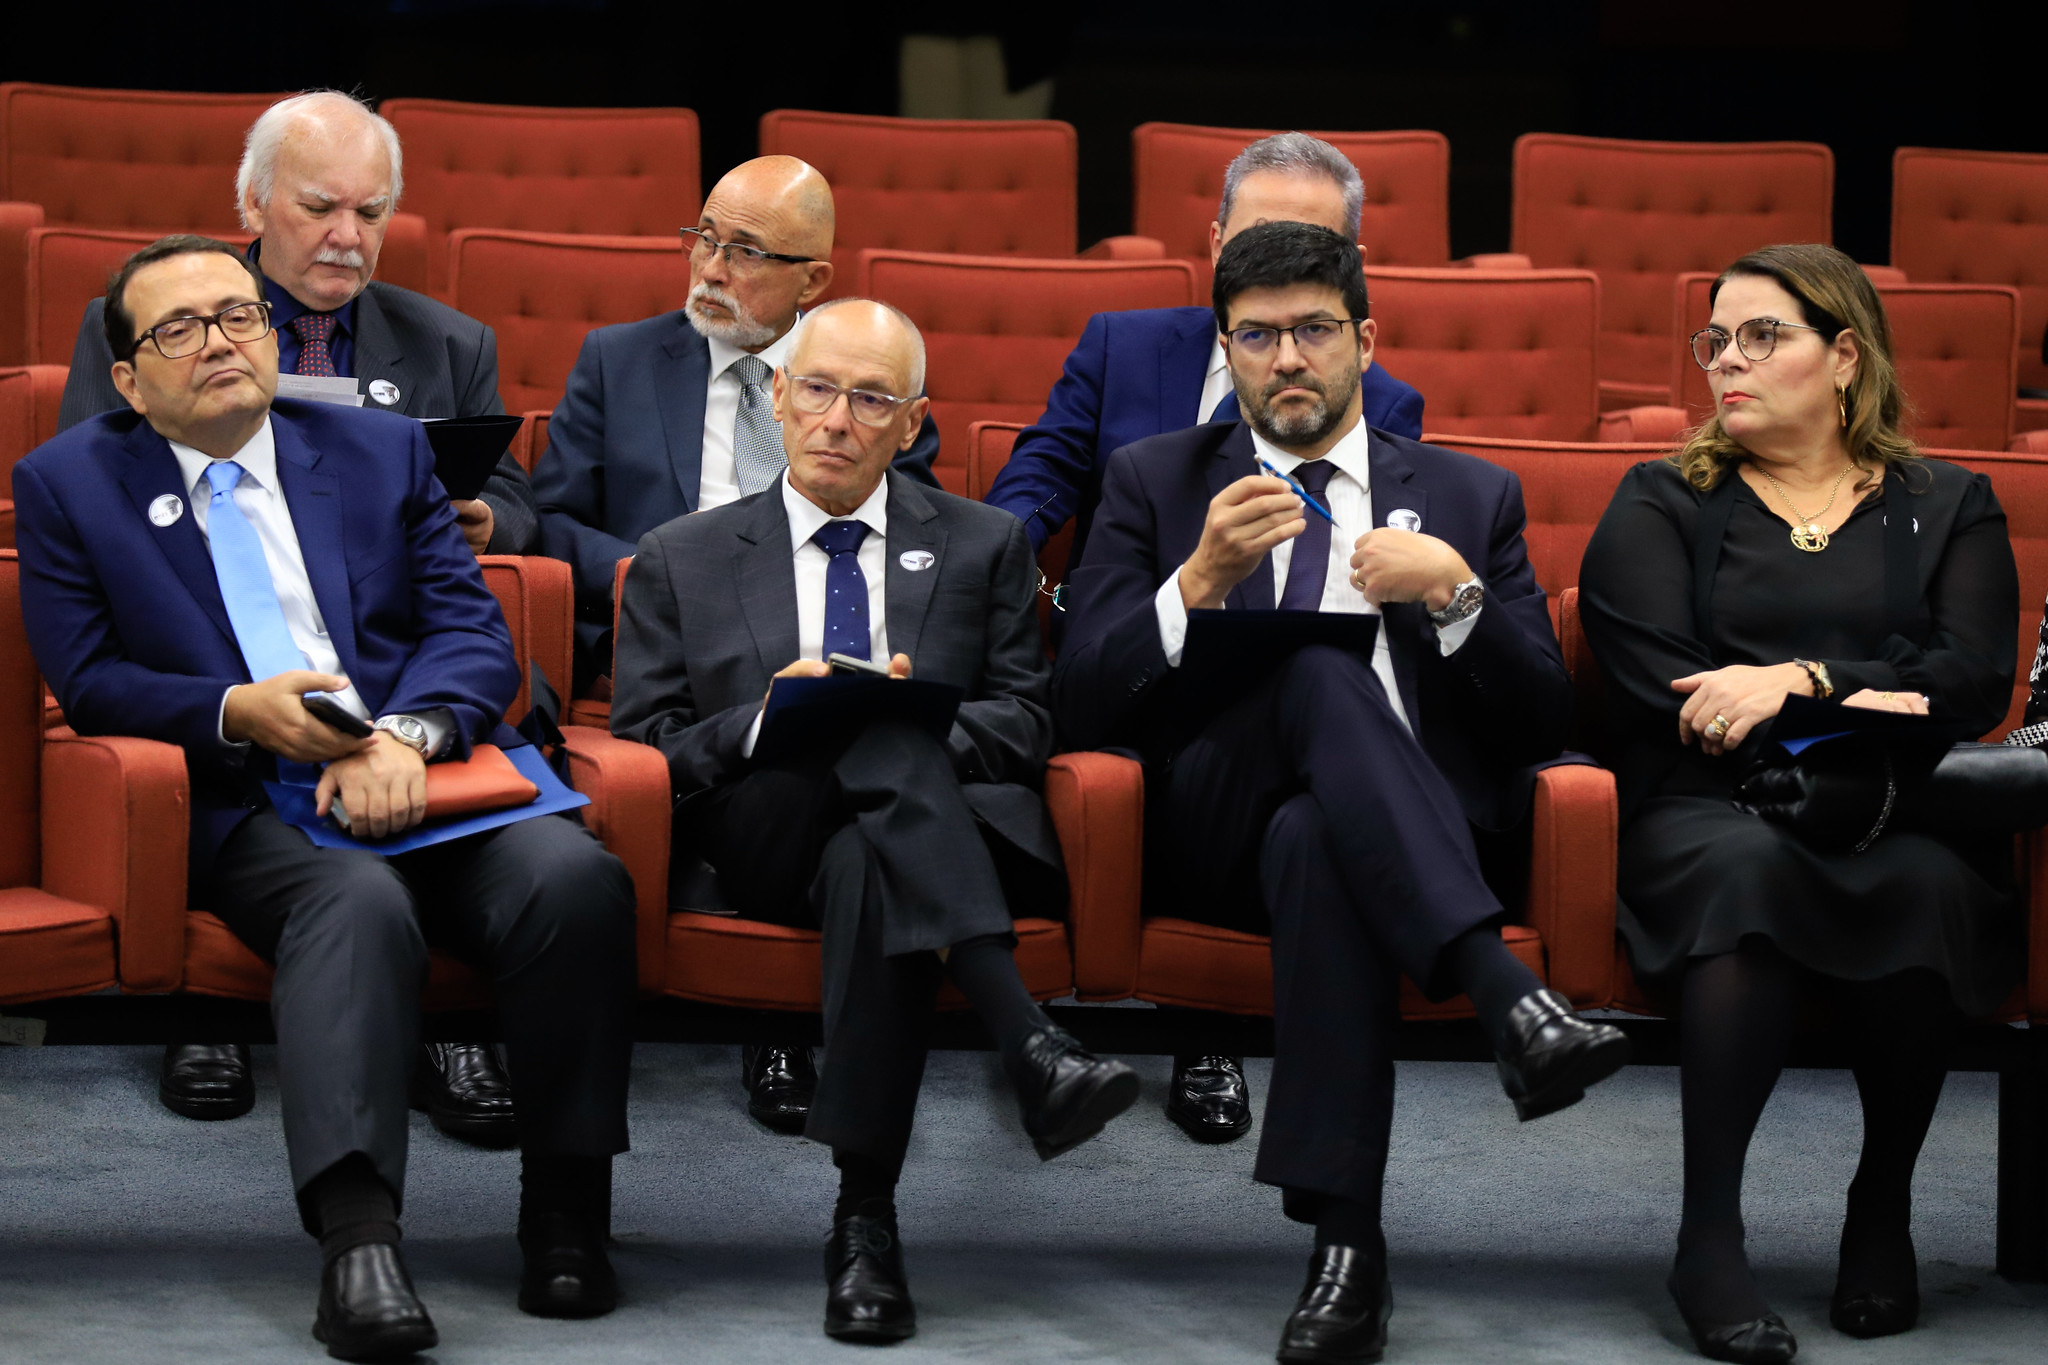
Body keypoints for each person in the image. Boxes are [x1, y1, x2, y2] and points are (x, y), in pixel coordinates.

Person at [14, 236, 637, 1358]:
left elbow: (469, 632)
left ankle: (566, 1217)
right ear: (126, 380)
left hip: (421, 775)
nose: (218, 341)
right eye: (178, 329)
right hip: (249, 798)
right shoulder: (69, 483)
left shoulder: (379, 450)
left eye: (238, 315)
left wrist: (406, 733)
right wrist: (237, 711)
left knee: (573, 882)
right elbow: (91, 676)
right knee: (354, 906)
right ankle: (359, 1246)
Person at [1051, 221, 1629, 1364]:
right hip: (1207, 822)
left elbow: (1538, 728)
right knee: (1314, 664)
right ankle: (1502, 991)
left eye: (1313, 329)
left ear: (1365, 340)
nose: (1286, 359)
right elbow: (1074, 704)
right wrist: (1196, 583)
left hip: (1402, 839)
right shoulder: (1155, 480)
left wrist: (1458, 598)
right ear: (1226, 350)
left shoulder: (1469, 496)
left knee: (1323, 839)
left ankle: (1346, 1254)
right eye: (1255, 337)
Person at [611, 298, 1137, 1344]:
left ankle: (863, 1218)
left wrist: (904, 722)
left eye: (870, 398)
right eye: (816, 389)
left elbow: (1026, 719)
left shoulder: (985, 543)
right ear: (775, 397)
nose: (837, 419)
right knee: (858, 726)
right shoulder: (683, 553)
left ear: (912, 421)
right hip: (761, 827)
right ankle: (1023, 1038)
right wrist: (769, 716)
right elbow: (649, 748)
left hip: (932, 829)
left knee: (871, 834)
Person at [54, 89, 532, 1139]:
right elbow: (100, 493)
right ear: (253, 201)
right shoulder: (141, 321)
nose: (347, 236)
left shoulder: (447, 341)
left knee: (536, 851)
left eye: (371, 212)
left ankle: (448, 1016)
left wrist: (483, 513)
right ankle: (208, 1003)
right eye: (322, 207)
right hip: (204, 635)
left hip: (379, 642)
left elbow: (527, 497)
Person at [1578, 243, 2019, 1363]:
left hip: (1883, 809)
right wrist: (1874, 689)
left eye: (1760, 335)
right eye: (1713, 339)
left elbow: (1968, 682)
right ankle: (1707, 1238)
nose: (1726, 360)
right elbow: (1654, 680)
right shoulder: (1663, 496)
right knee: (1749, 868)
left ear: (1842, 357)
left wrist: (1795, 680)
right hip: (1701, 808)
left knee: (1924, 886)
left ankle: (1880, 1210)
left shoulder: (1947, 505)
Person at [987, 131, 1428, 1144]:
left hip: (1270, 668)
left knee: (1298, 725)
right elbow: (1037, 476)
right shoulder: (1124, 344)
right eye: (1259, 234)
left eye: (1310, 244)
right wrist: (991, 573)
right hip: (1127, 646)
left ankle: (1210, 1029)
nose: (1279, 261)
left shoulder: (1378, 394)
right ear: (1216, 236)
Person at [533, 156, 939, 1130]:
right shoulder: (617, 360)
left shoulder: (862, 385)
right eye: (705, 237)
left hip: (818, 634)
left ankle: (779, 1011)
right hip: (669, 641)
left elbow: (906, 525)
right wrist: (674, 574)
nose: (710, 266)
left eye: (746, 251)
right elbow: (548, 522)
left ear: (812, 281)